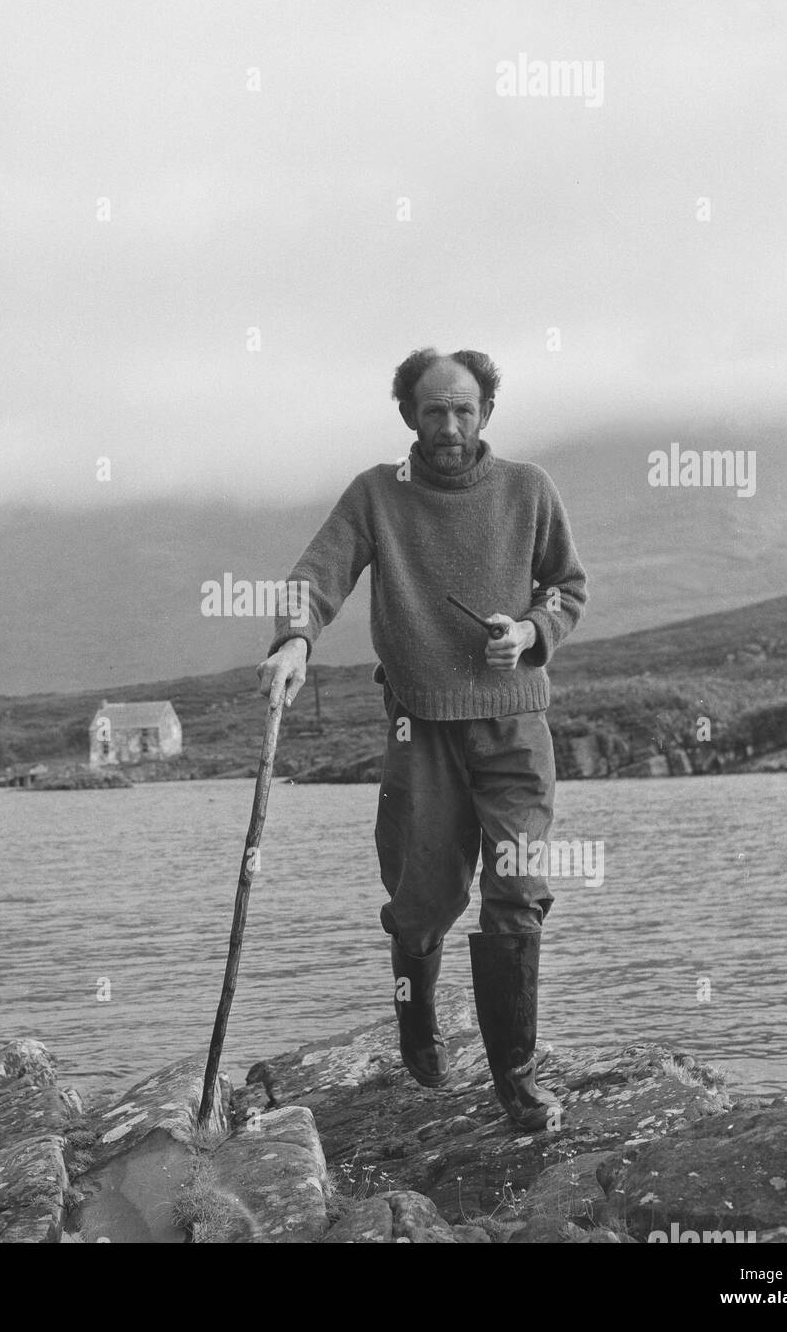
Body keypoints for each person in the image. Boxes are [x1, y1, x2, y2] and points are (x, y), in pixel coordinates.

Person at [257, 348, 588, 1130]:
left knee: (517, 892)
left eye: (464, 409)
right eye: (433, 409)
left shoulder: (528, 490)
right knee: (422, 902)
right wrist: (295, 641)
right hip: (420, 730)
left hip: (514, 727)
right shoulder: (377, 494)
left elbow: (567, 588)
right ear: (408, 413)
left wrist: (532, 630)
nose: (449, 425)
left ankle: (515, 1082)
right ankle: (417, 1019)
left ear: (486, 414)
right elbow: (315, 574)